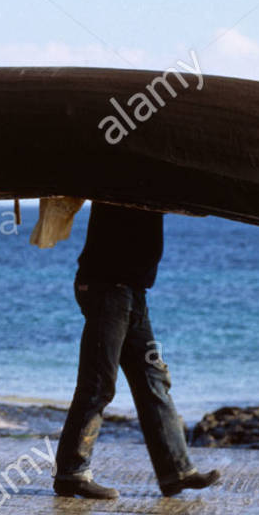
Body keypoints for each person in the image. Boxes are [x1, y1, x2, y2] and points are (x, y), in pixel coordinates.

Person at [52, 202, 220, 499]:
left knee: (153, 379)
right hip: (107, 290)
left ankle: (176, 472)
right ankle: (71, 474)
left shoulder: (154, 179)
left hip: (133, 292)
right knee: (99, 383)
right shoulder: (127, 171)